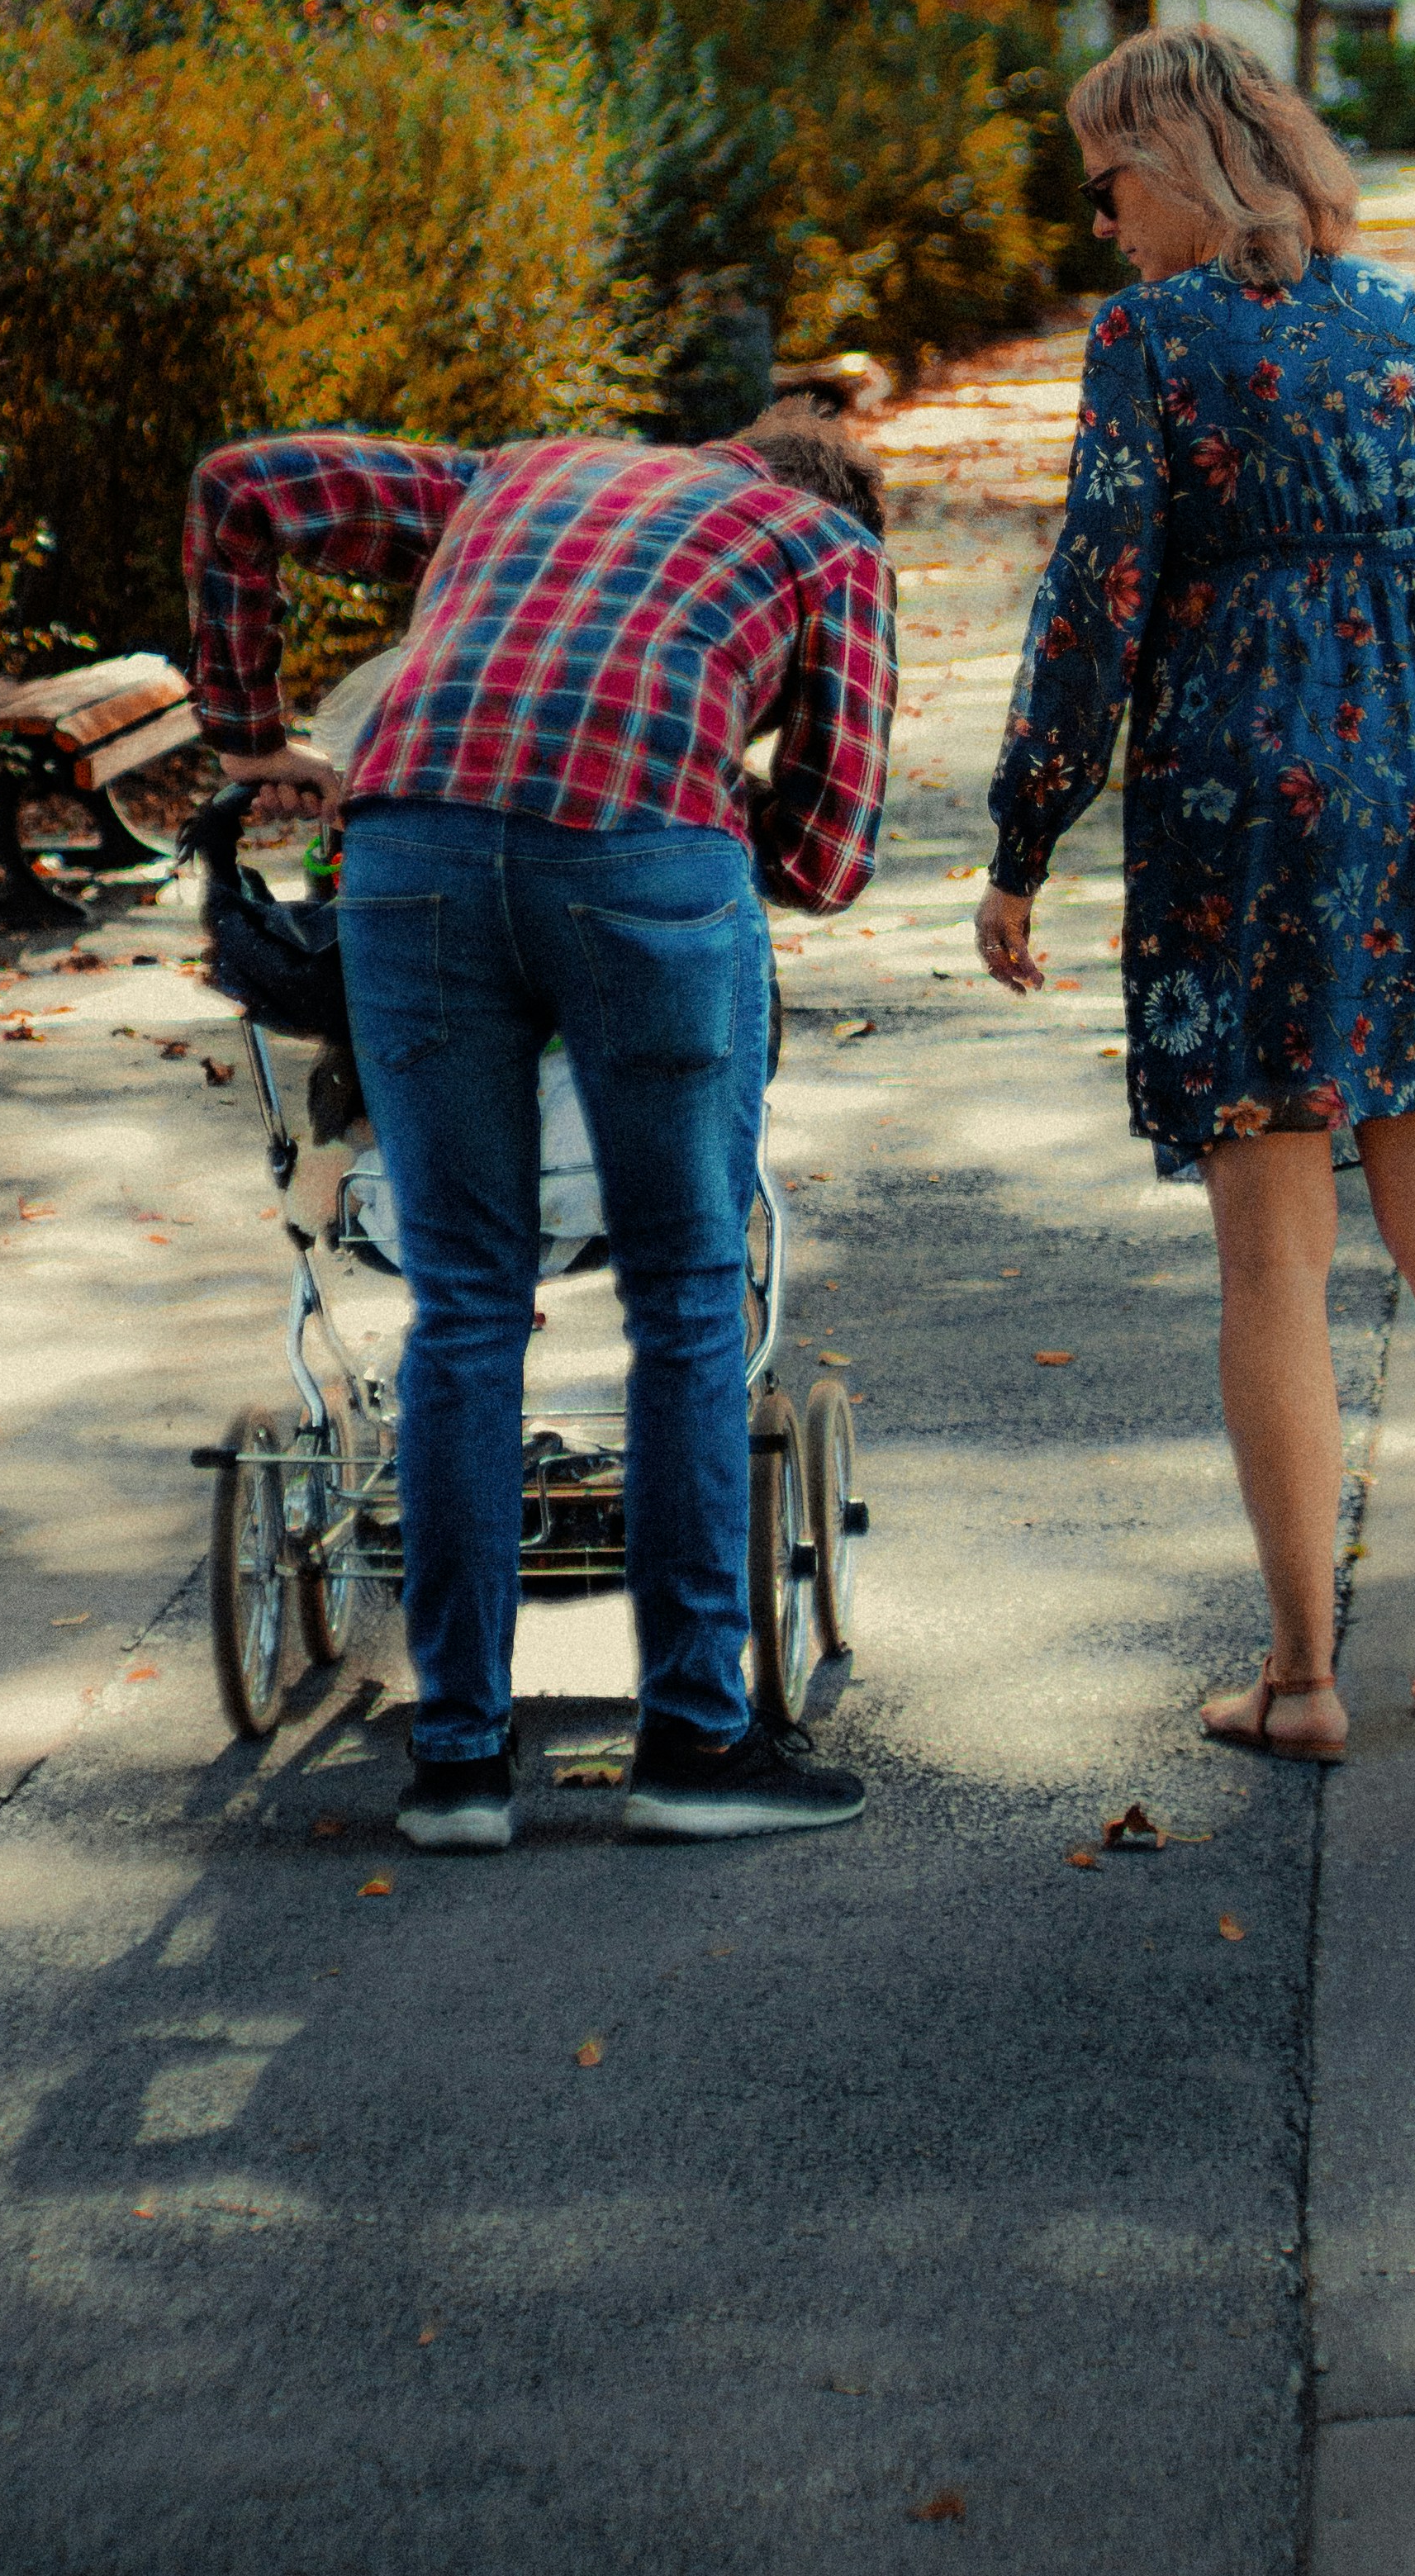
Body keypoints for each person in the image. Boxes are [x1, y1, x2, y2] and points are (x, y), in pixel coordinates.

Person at [976, 32, 1415, 1763]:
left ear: (1168, 162)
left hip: (1246, 817)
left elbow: (1093, 605)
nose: (1101, 229)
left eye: (1104, 187)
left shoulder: (1150, 343)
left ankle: (1305, 1678)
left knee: (1273, 1261)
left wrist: (1022, 838)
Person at [184, 405, 895, 1852]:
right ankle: (696, 1739)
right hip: (641, 859)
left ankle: (454, 1764)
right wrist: (716, 769)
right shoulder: (830, 549)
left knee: (464, 1307)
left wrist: (252, 742)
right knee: (690, 1298)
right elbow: (827, 858)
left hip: (409, 848)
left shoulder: (516, 476)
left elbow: (245, 488)